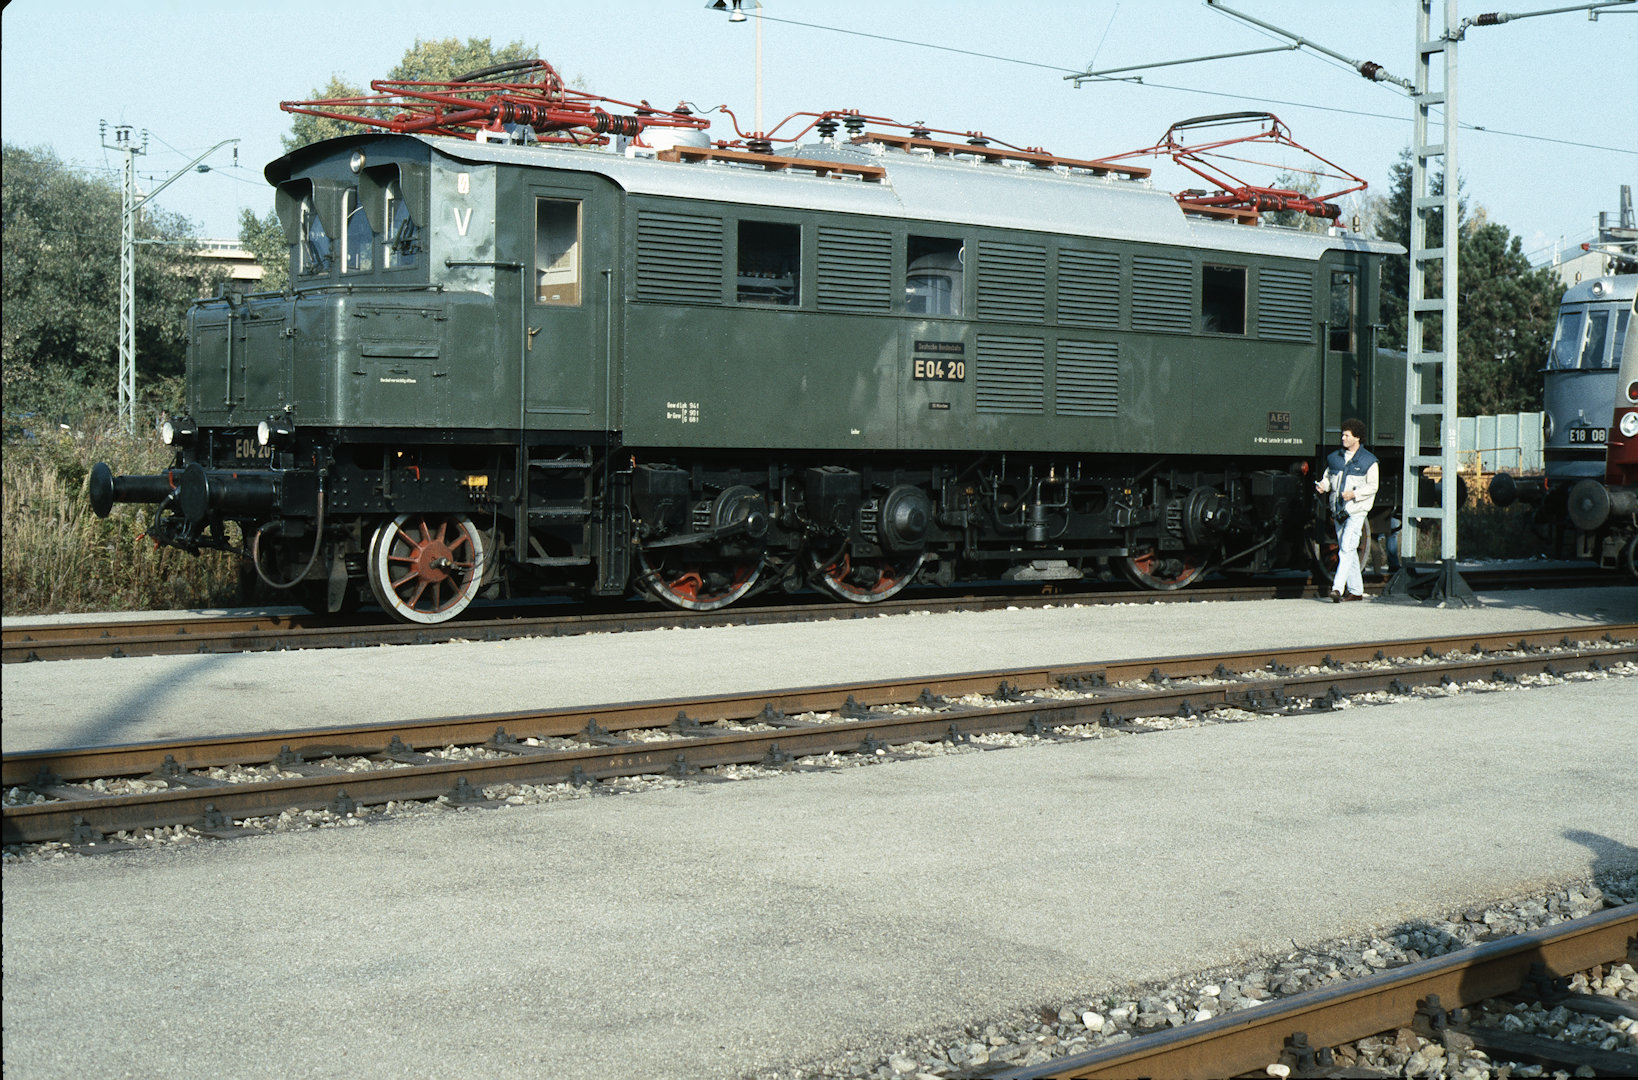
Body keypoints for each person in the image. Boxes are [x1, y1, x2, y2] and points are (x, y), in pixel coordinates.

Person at [1315, 418, 1378, 602]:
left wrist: (1355, 494)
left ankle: (1337, 589)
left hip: (1356, 511)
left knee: (1345, 549)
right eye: (1342, 434)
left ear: (1357, 438)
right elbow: (1328, 478)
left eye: (1347, 435)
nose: (1343, 438)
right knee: (1348, 550)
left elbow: (1373, 486)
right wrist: (1323, 486)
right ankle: (1356, 591)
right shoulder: (1334, 458)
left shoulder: (1369, 462)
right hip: (1338, 511)